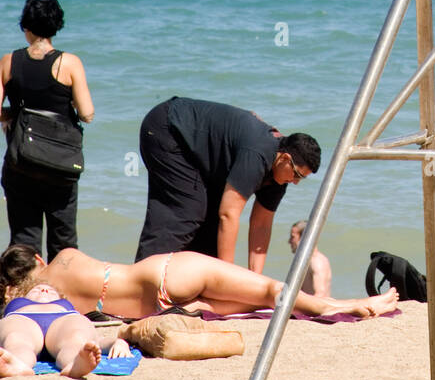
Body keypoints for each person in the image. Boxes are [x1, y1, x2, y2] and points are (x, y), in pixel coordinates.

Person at [134, 97, 321, 271]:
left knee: (212, 224)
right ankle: (140, 284)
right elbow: (229, 214)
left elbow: (261, 225)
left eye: (301, 178)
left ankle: (191, 287)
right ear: (286, 158)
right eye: (297, 175)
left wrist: (254, 280)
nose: (295, 182)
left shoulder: (281, 174)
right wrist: (229, 278)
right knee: (187, 211)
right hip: (167, 129)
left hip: (201, 154)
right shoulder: (257, 154)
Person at [0, 244, 398, 323]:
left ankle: (336, 305)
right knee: (270, 292)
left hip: (161, 304)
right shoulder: (65, 256)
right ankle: (341, 305)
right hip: (169, 271)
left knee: (268, 303)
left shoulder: (40, 301)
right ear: (37, 258)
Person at [1, 0, 95, 259]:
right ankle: (63, 298)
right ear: (56, 26)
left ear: (25, 27)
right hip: (60, 165)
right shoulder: (70, 63)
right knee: (64, 242)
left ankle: (21, 296)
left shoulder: (9, 62)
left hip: (21, 162)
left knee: (23, 241)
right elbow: (87, 113)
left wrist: (14, 115)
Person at [0, 281, 130, 379]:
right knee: (15, 339)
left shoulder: (66, 309)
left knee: (76, 338)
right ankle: (17, 364)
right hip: (22, 319)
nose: (44, 290)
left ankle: (74, 363)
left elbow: (96, 342)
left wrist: (117, 342)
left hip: (62, 321)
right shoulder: (17, 305)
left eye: (50, 290)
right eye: (36, 289)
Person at [289, 220, 332, 297]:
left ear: (304, 238)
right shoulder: (305, 261)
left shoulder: (317, 262)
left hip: (315, 308)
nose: (289, 241)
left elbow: (320, 294)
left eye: (292, 237)